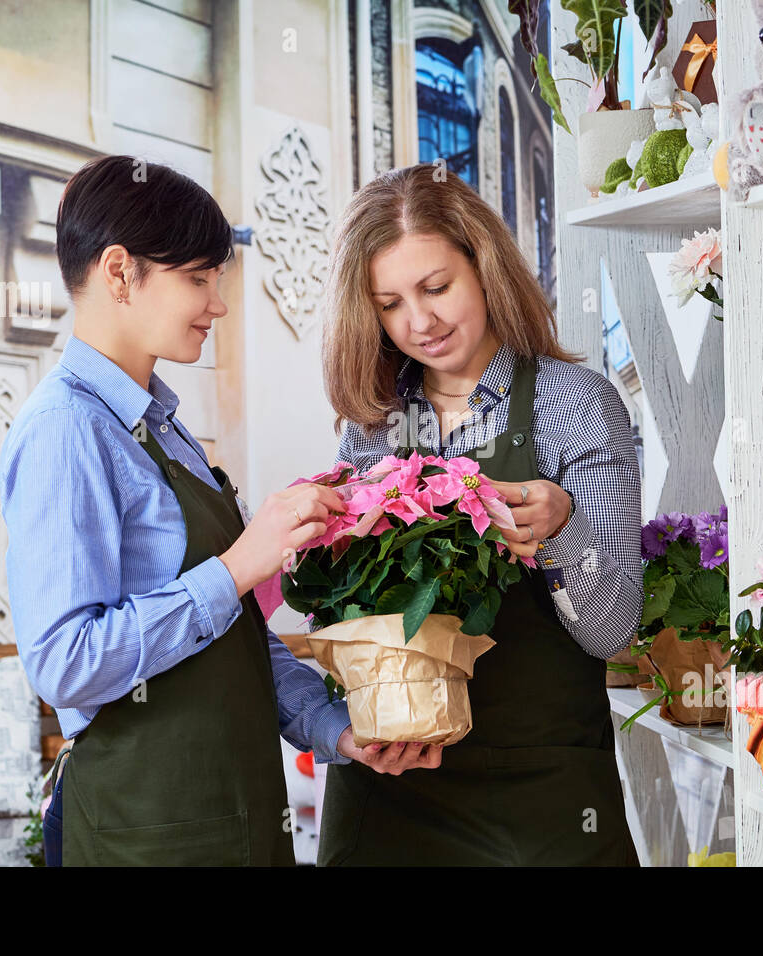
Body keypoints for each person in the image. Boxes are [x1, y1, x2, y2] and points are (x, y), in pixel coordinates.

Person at [0, 155, 436, 867]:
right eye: (198, 278)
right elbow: (65, 664)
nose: (218, 303)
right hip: (143, 834)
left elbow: (232, 633)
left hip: (232, 823)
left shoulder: (164, 427)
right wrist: (237, 564)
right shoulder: (65, 430)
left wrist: (335, 729)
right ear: (119, 272)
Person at [317, 163, 644, 866]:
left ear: (484, 268)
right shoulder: (372, 425)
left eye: (437, 288)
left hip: (543, 788)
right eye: (390, 303)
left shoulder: (578, 405)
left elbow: (615, 633)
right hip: (395, 778)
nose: (421, 322)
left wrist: (562, 532)